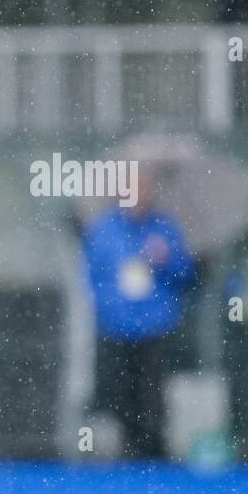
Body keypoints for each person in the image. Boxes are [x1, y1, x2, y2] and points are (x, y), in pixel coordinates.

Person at [83, 166, 196, 458]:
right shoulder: (106, 229)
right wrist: (108, 308)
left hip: (155, 324)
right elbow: (94, 276)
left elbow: (186, 273)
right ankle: (125, 446)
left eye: (145, 190)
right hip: (117, 324)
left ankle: (153, 447)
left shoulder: (165, 228)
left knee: (152, 391)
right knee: (120, 391)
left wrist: (167, 260)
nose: (139, 197)